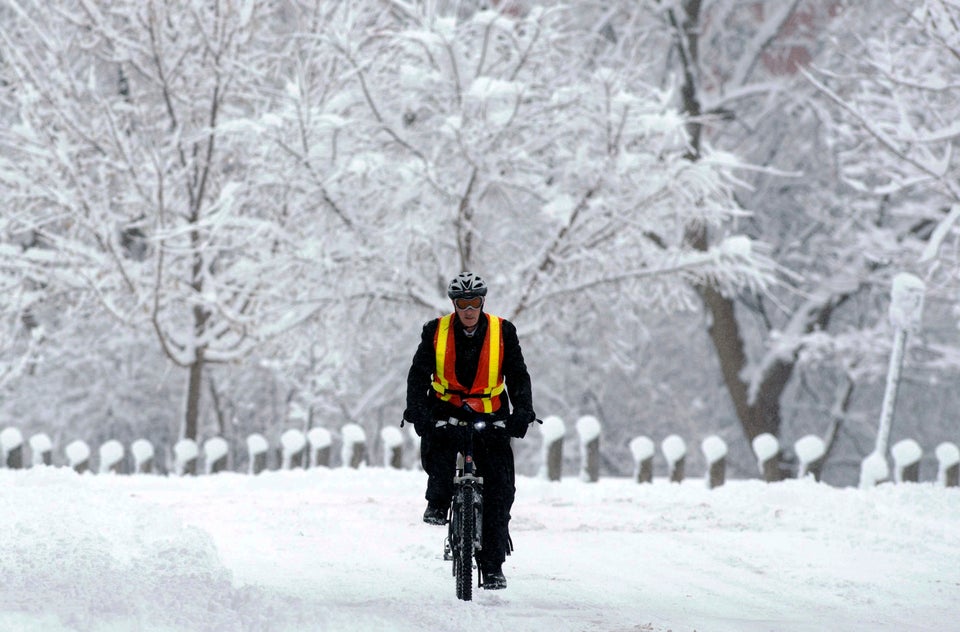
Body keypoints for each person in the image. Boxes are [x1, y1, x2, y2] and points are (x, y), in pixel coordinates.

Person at [403, 271, 536, 591]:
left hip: (490, 415)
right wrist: (417, 411)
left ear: (482, 302)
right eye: (462, 302)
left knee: (500, 489)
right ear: (454, 303)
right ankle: (437, 501)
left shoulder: (503, 331)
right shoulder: (435, 331)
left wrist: (523, 412)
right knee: (439, 454)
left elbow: (518, 375)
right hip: (445, 410)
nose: (468, 308)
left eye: (474, 301)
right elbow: (418, 375)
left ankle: (492, 566)